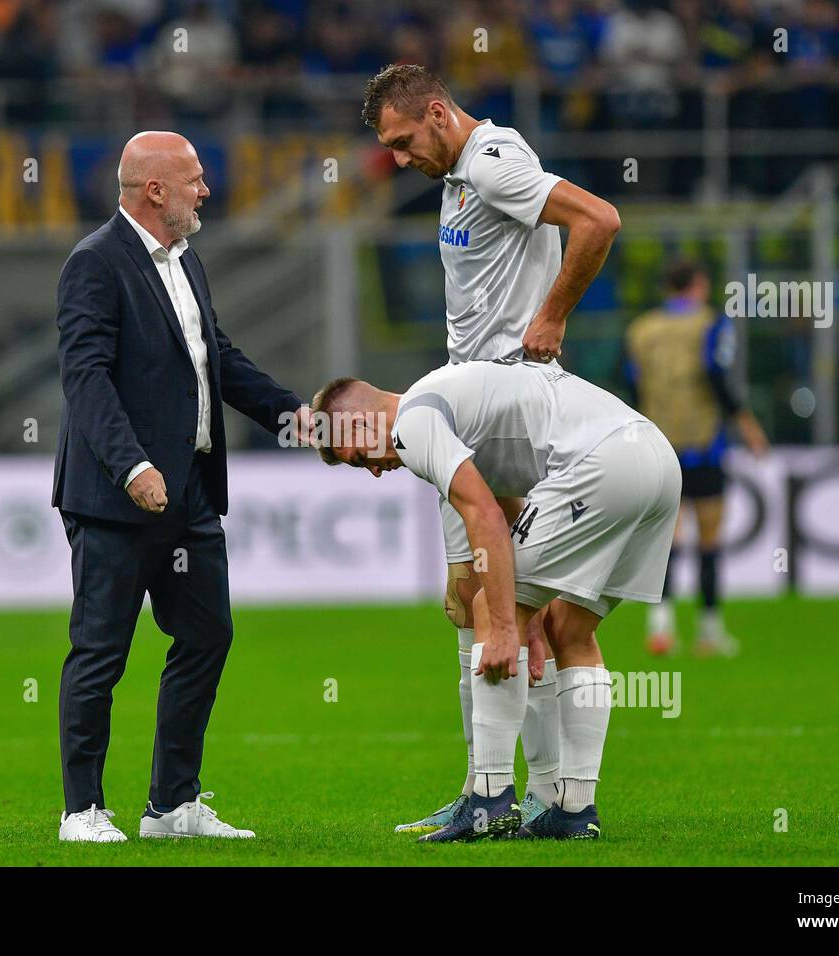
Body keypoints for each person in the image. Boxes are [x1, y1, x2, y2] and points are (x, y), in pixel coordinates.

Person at [360, 63, 621, 834]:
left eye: (404, 141)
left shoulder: (495, 160)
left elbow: (599, 220)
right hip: (467, 403)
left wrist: (552, 318)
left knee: (509, 605)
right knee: (463, 603)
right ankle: (487, 785)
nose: (401, 159)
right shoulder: (456, 177)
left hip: (508, 410)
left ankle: (529, 795)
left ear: (439, 113)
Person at [52, 130, 308, 843]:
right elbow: (87, 380)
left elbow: (215, 357)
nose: (207, 189)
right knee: (100, 651)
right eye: (194, 178)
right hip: (114, 496)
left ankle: (171, 806)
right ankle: (82, 810)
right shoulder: (94, 264)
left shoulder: (185, 261)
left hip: (190, 491)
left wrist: (297, 418)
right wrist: (131, 466)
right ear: (154, 190)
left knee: (208, 634)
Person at [311, 359, 680, 840]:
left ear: (358, 421)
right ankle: (573, 810)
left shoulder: (413, 422)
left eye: (358, 457)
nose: (373, 471)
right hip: (656, 463)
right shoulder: (450, 405)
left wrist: (506, 624)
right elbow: (513, 512)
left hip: (602, 466)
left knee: (488, 608)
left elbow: (483, 516)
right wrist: (528, 619)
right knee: (569, 629)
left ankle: (488, 799)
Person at [624, 260, 769, 657]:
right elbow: (718, 375)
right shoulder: (711, 324)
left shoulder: (640, 330)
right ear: (698, 285)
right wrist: (746, 422)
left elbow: (633, 385)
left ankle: (661, 628)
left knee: (665, 541)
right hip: (704, 442)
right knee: (709, 539)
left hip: (658, 445)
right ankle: (708, 631)